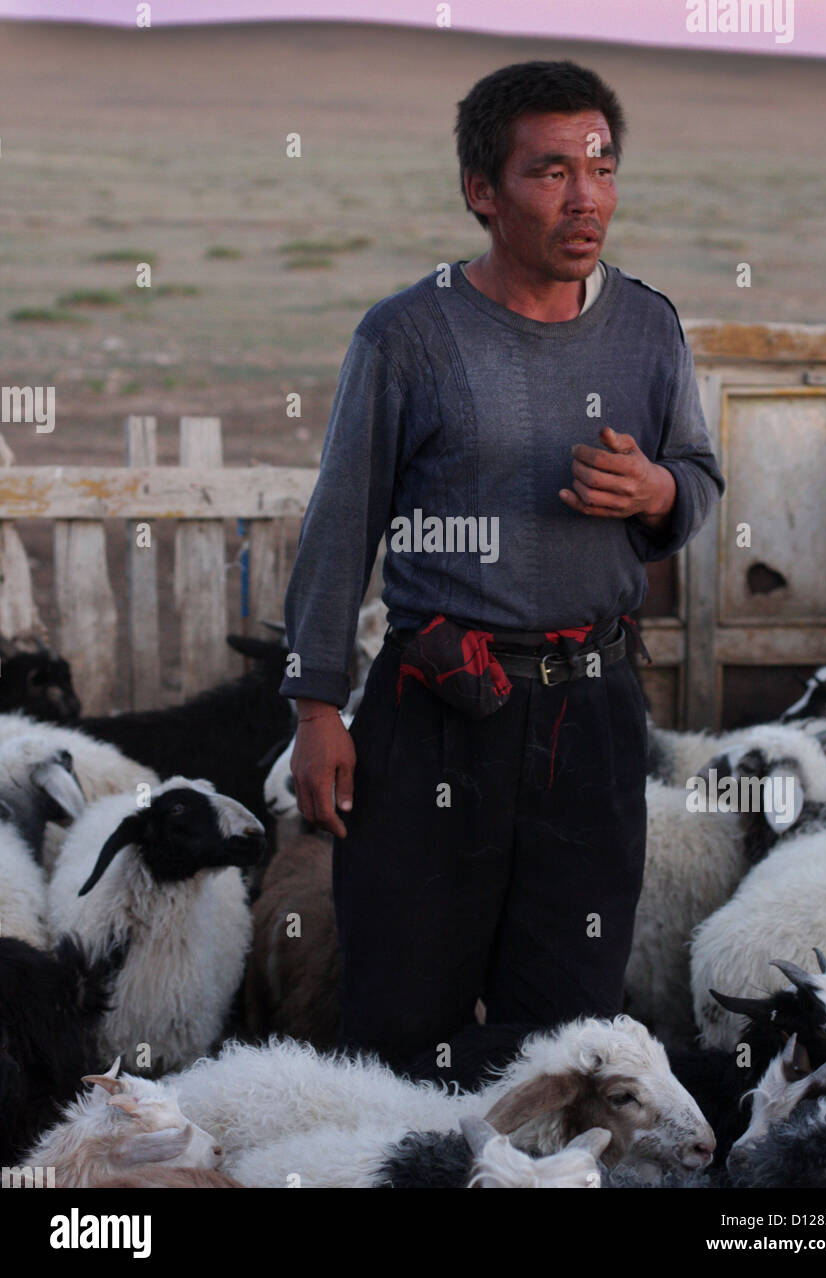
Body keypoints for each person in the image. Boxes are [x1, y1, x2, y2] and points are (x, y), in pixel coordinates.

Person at [280, 58, 725, 1073]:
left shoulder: (648, 326)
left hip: (595, 718)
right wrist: (315, 710)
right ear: (482, 191)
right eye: (551, 171)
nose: (588, 199)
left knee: (571, 1039)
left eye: (602, 168)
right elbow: (340, 523)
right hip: (438, 714)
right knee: (398, 1019)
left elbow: (698, 475)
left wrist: (656, 491)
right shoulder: (408, 337)